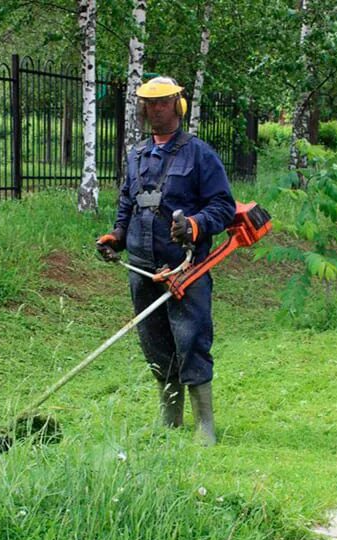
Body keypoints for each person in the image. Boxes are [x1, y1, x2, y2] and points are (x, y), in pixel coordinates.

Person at [95, 76, 235, 446]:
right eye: (148, 103)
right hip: (141, 268)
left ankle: (205, 425)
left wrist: (193, 225)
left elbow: (223, 207)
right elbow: (127, 203)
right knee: (154, 343)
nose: (154, 109)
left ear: (178, 105)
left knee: (191, 341)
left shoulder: (199, 154)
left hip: (184, 269)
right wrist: (117, 237)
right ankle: (170, 419)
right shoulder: (137, 155)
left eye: (162, 102)